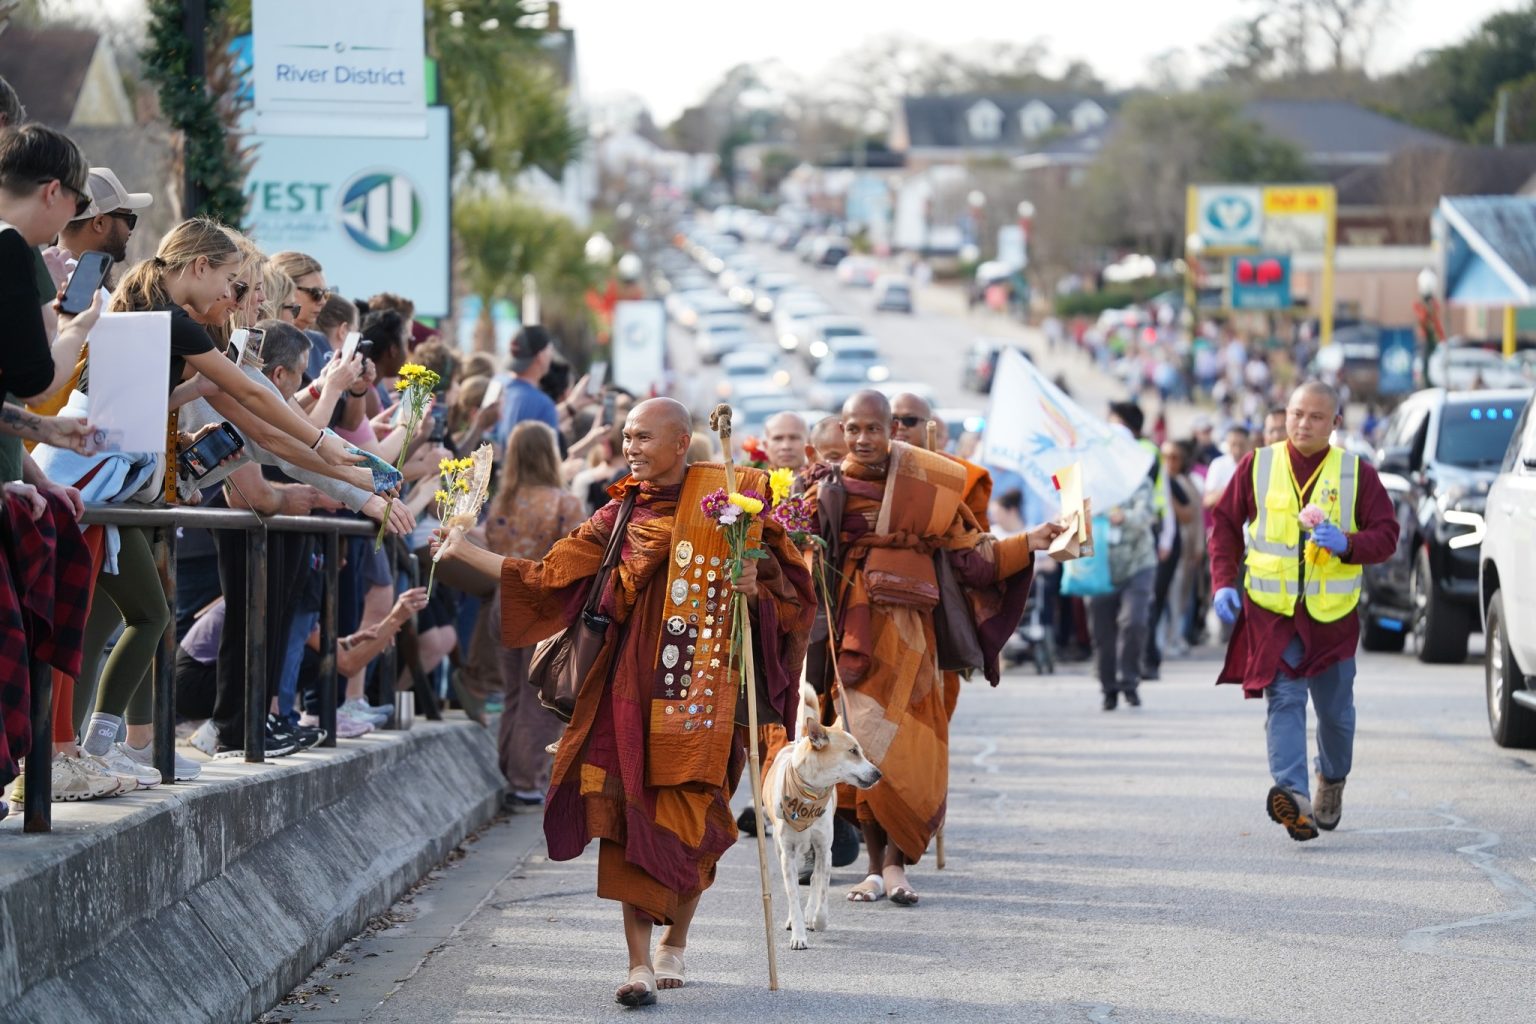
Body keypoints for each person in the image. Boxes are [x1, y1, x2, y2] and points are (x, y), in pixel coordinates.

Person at [432, 397, 816, 1006]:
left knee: (696, 816)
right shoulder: (620, 512)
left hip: (704, 695)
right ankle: (637, 964)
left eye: (642, 437)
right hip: (628, 691)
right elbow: (550, 574)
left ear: (680, 443)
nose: (630, 447)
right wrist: (460, 549)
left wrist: (758, 578)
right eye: (627, 436)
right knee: (624, 811)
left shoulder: (734, 498)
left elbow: (793, 588)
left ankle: (676, 944)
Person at [811, 391, 1059, 906]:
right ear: (842, 428)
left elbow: (973, 559)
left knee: (912, 749)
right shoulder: (826, 487)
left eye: (875, 428)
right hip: (856, 639)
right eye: (854, 429)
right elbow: (802, 562)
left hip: (913, 641)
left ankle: (896, 865)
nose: (864, 439)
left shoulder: (930, 483)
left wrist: (1030, 540)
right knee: (865, 746)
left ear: (891, 430)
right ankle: (875, 869)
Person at [1209, 381, 1398, 841]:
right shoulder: (1258, 464)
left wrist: (1349, 543)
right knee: (1285, 701)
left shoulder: (1357, 474)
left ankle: (1330, 780)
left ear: (1335, 423)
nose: (1302, 424)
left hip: (1332, 619)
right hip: (1272, 614)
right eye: (1296, 413)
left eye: (1315, 417)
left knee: (1335, 714)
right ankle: (1292, 797)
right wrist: (1222, 583)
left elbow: (1388, 535)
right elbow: (1225, 525)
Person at [481, 421, 584, 804]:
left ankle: (511, 772)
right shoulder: (563, 502)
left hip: (504, 599)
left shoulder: (502, 501)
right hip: (544, 605)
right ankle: (526, 782)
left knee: (512, 694)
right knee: (540, 700)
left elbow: (491, 543)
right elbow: (576, 557)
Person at [493, 325, 560, 448]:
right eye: (550, 349)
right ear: (541, 356)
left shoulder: (496, 386)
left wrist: (571, 407)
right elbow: (548, 463)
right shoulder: (544, 405)